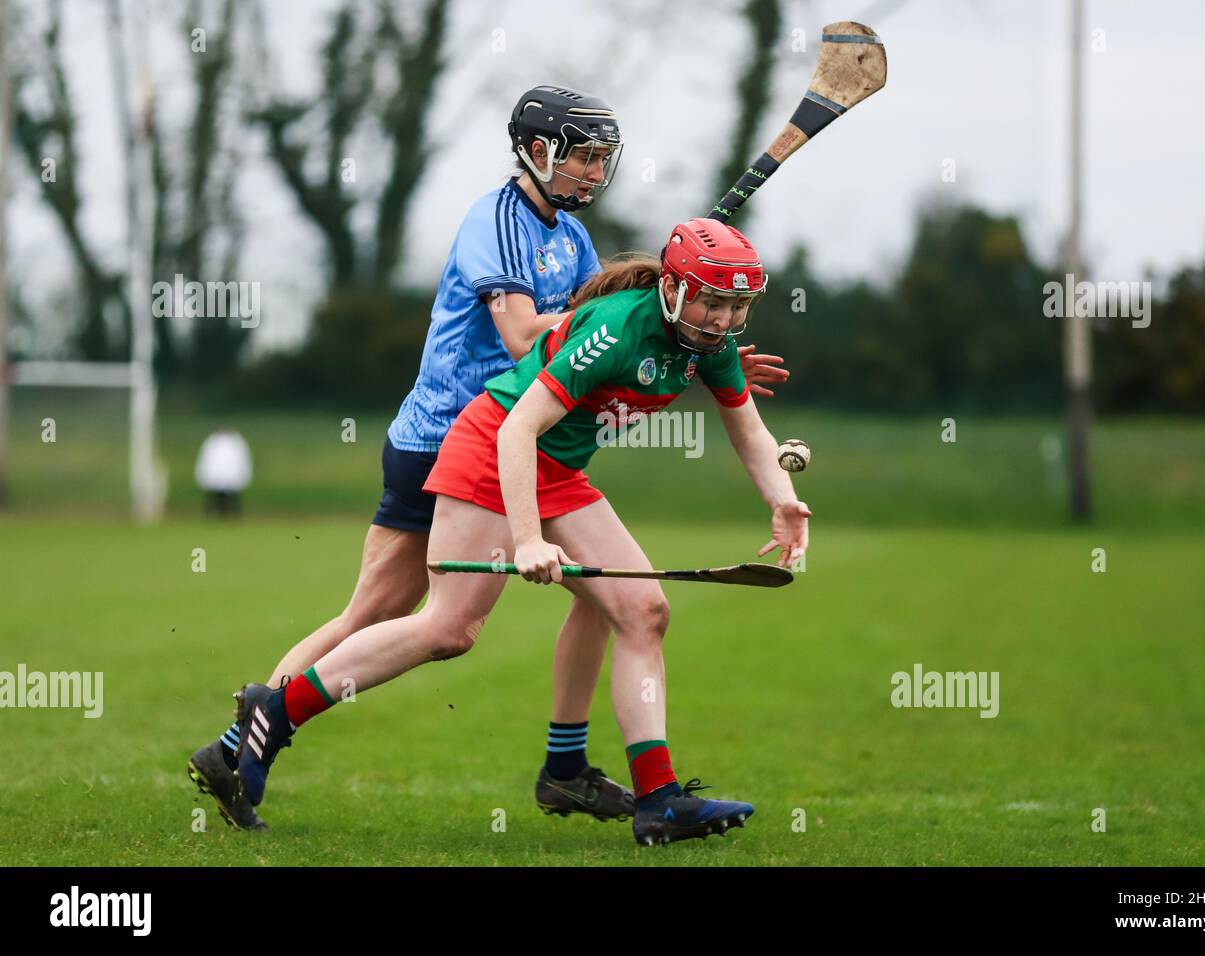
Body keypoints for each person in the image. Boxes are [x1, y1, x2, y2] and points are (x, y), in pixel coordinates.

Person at [187, 87, 789, 830]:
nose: (596, 171)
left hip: (536, 446)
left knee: (604, 601)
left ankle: (573, 770)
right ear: (538, 153)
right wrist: (645, 316)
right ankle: (252, 729)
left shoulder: (570, 237)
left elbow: (596, 336)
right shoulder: (495, 221)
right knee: (421, 621)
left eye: (604, 157)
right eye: (584, 156)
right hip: (450, 434)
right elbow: (528, 340)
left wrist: (691, 330)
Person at [195, 428, 253, 518]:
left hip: (231, 476)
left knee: (233, 499)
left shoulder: (236, 443)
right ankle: (212, 515)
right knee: (214, 498)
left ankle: (233, 516)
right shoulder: (213, 442)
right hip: (216, 476)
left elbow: (242, 460)